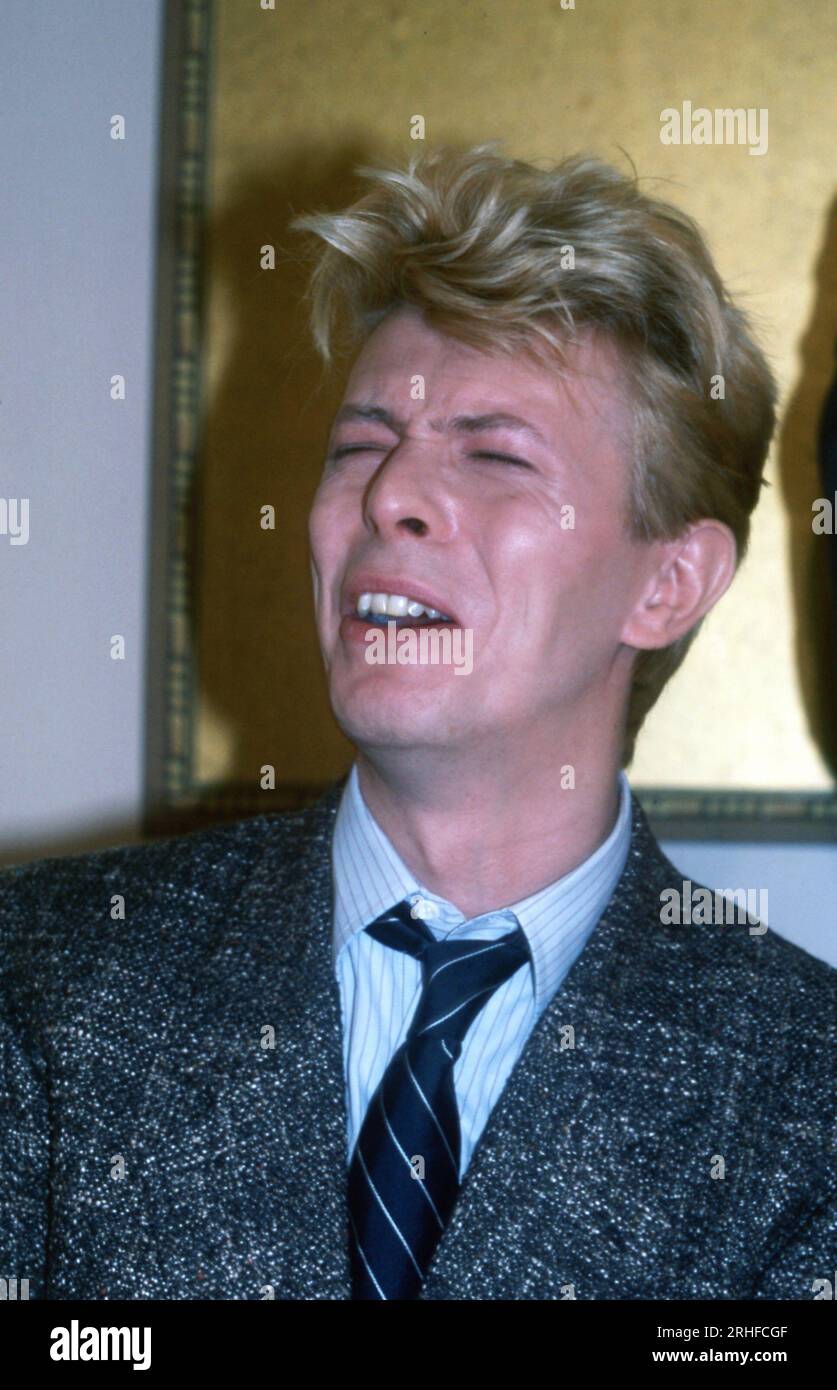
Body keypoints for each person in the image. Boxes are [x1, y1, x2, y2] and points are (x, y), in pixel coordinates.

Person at [1, 145, 834, 1301]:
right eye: (360, 443)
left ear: (669, 584)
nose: (390, 493)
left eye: (494, 454)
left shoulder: (808, 1096)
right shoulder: (39, 982)